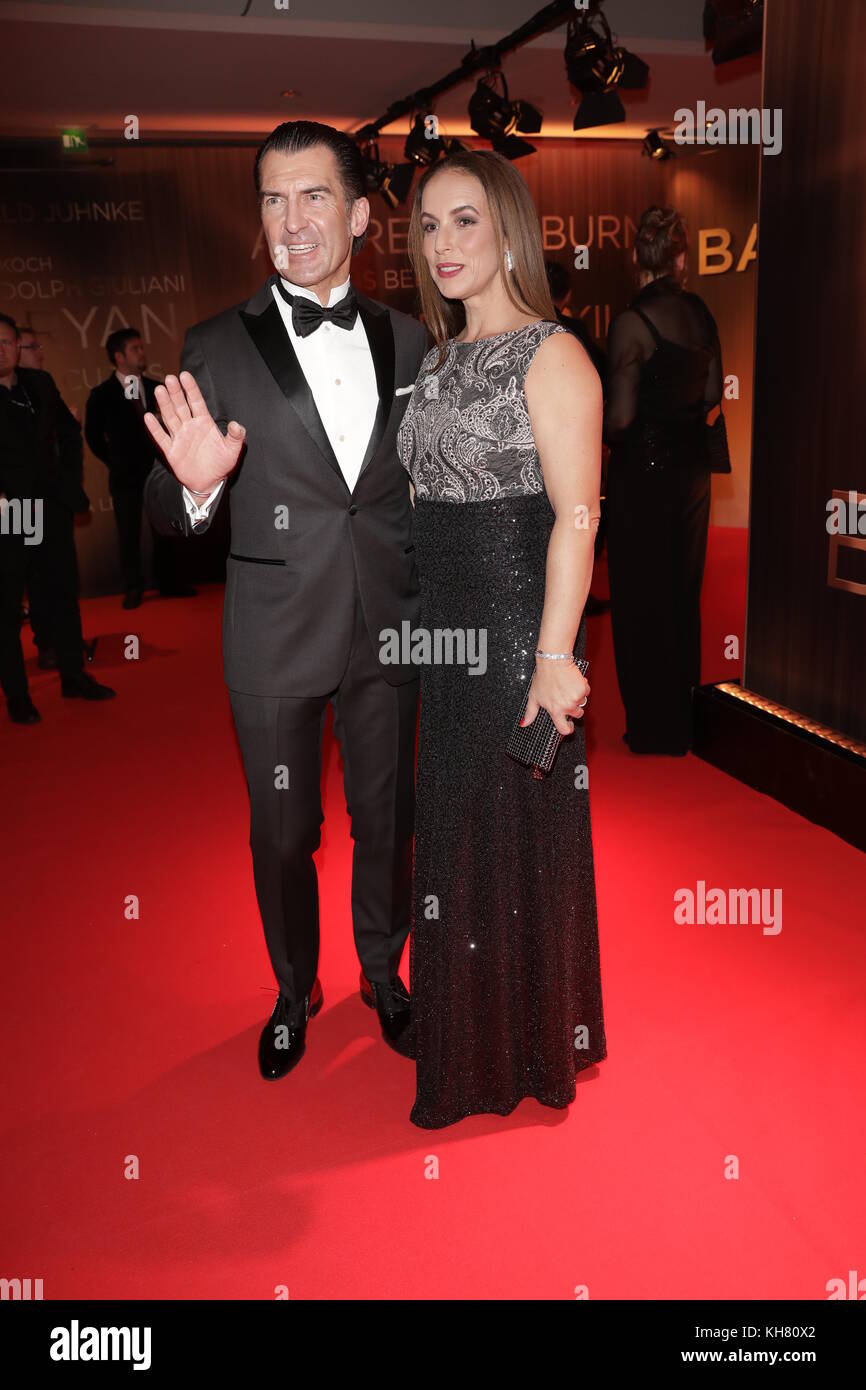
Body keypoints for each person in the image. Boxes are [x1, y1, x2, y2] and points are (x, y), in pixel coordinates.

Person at [143, 120, 428, 1079]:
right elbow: (167, 515)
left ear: (356, 213)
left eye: (312, 197)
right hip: (273, 639)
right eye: (272, 199)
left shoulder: (412, 339)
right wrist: (192, 486)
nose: (291, 221)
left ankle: (385, 976)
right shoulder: (217, 344)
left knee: (389, 820)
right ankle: (293, 987)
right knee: (283, 830)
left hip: (391, 626)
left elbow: (417, 490)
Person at [398, 150, 607, 1129]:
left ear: (507, 230)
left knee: (503, 833)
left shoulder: (551, 353)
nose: (442, 243)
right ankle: (467, 1034)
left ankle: (522, 1045)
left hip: (515, 619)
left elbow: (576, 514)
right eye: (428, 226)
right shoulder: (435, 359)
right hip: (441, 631)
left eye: (464, 222)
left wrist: (554, 656)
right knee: (448, 831)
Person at [603, 206, 723, 754]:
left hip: (643, 474)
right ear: (680, 258)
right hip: (693, 472)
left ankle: (651, 729)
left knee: (639, 596)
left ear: (635, 258)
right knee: (682, 591)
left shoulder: (631, 322)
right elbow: (712, 395)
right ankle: (684, 719)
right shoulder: (701, 313)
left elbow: (620, 421)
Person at [0, 313, 115, 723]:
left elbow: (70, 432)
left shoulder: (40, 384)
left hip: (51, 504)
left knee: (64, 591)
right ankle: (16, 695)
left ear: (18, 345)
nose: (4, 350)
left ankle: (73, 674)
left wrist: (67, 481)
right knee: (10, 605)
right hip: (12, 511)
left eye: (9, 341)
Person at [85, 329, 195, 608]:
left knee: (166, 530)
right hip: (125, 478)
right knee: (128, 534)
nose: (142, 353)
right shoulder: (101, 394)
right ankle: (134, 587)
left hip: (159, 474)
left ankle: (170, 582)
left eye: (141, 348)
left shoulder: (156, 388)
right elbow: (93, 437)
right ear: (119, 357)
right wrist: (115, 460)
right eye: (135, 349)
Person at [546, 259, 610, 616]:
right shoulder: (573, 331)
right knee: (579, 520)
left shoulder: (529, 332)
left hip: (540, 452)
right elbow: (598, 375)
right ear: (567, 294)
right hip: (574, 443)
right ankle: (577, 600)